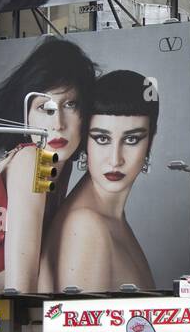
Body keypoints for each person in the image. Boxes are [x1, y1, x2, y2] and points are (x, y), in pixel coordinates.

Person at [0, 38, 95, 295]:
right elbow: (20, 289)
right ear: (26, 116)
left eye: (70, 104)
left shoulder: (59, 167)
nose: (57, 123)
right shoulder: (33, 161)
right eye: (43, 107)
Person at [41, 69, 159, 291]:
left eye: (132, 139)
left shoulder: (109, 217)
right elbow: (75, 326)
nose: (115, 159)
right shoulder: (87, 227)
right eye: (102, 138)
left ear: (150, 141)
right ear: (86, 140)